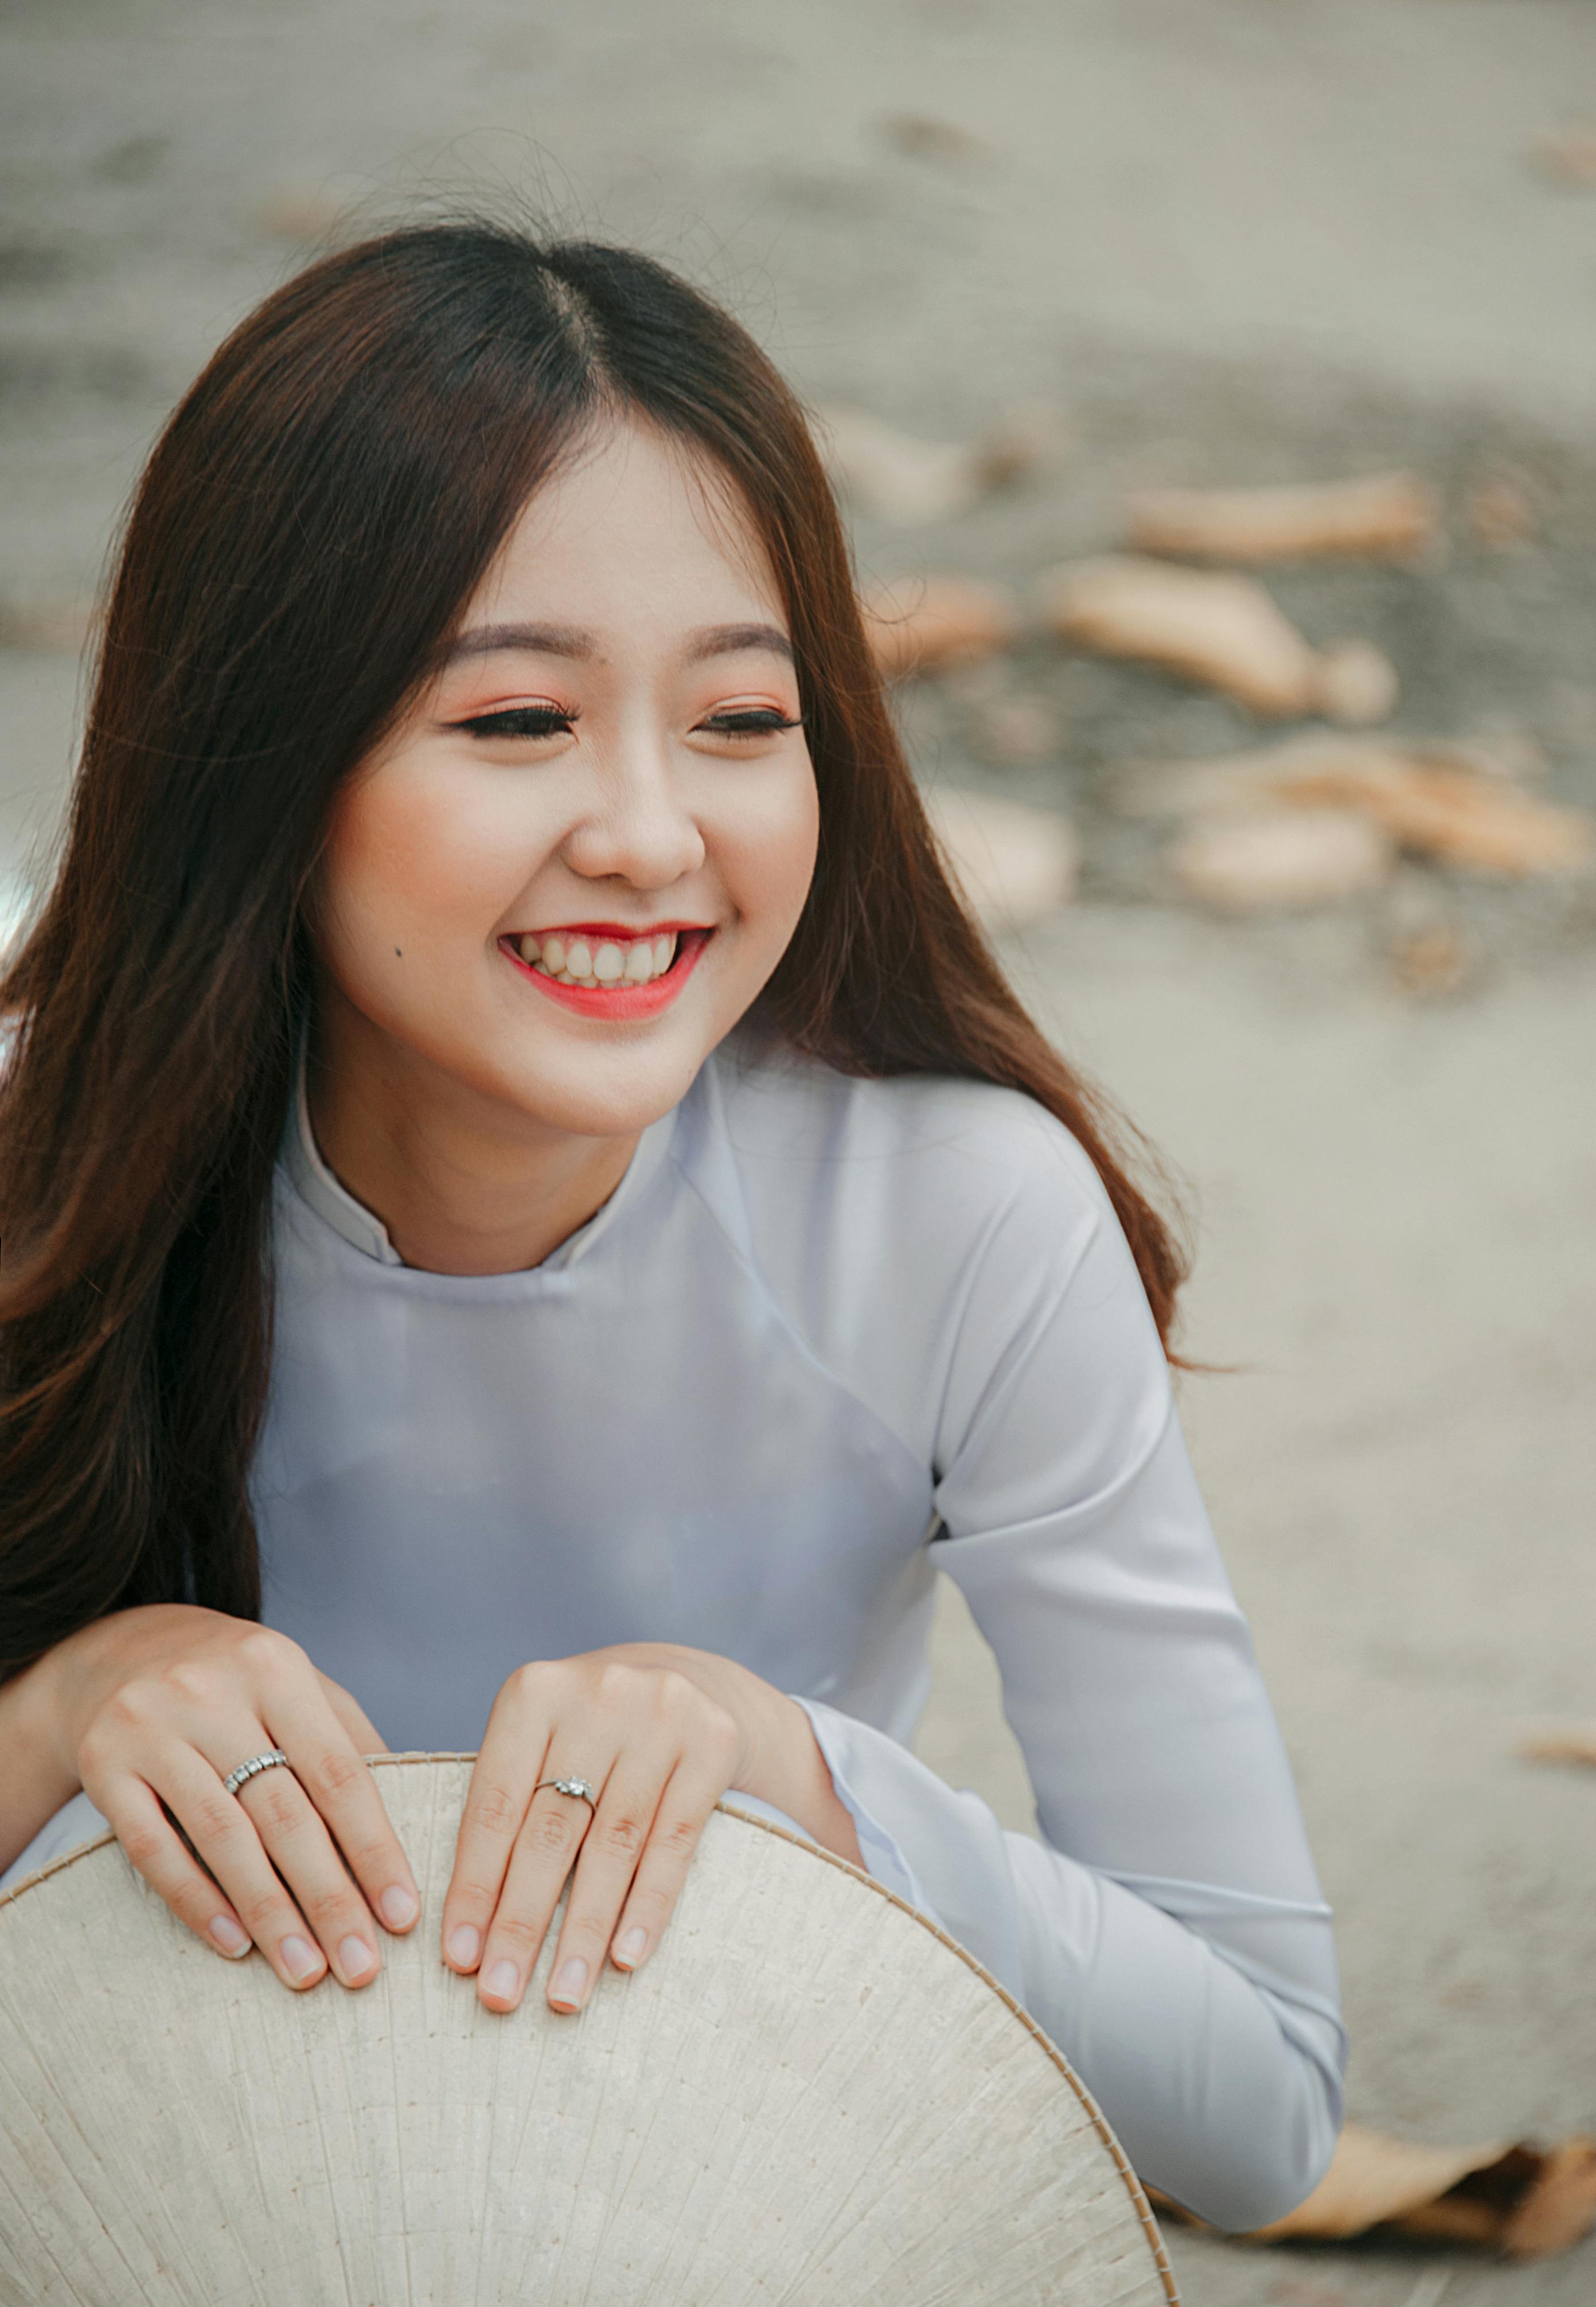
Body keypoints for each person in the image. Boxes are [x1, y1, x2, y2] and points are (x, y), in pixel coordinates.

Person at [0, 220, 1343, 2232]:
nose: (649, 833)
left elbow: (1258, 2104)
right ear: (262, 758)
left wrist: (793, 1776)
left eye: (739, 719)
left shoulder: (955, 1219)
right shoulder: (40, 1141)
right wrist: (51, 1721)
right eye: (518, 721)